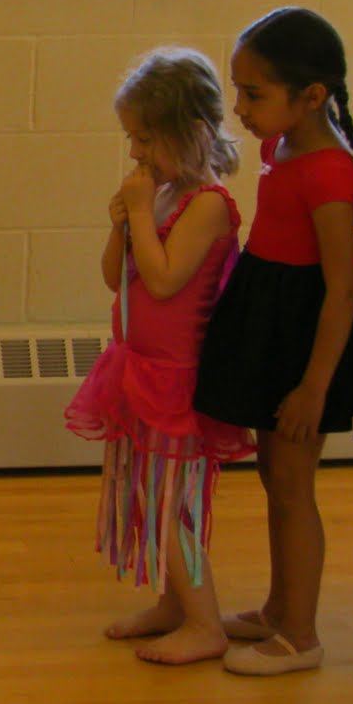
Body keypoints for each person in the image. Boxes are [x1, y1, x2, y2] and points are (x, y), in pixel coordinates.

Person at [193, 8, 353, 676]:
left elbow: (342, 288)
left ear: (312, 96)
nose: (239, 107)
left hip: (304, 337)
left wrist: (313, 385)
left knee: (294, 482)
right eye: (237, 90)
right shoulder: (282, 146)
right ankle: (276, 607)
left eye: (254, 94)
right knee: (275, 475)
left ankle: (302, 634)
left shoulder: (329, 174)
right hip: (270, 315)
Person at [65, 48, 254, 665]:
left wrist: (142, 215)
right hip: (137, 368)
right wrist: (121, 225)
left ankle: (206, 622)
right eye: (132, 138)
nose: (136, 154)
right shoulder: (167, 197)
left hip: (177, 382)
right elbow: (116, 278)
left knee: (176, 504)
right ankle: (176, 603)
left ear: (192, 134)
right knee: (149, 495)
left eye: (146, 139)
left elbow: (167, 279)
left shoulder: (207, 205)